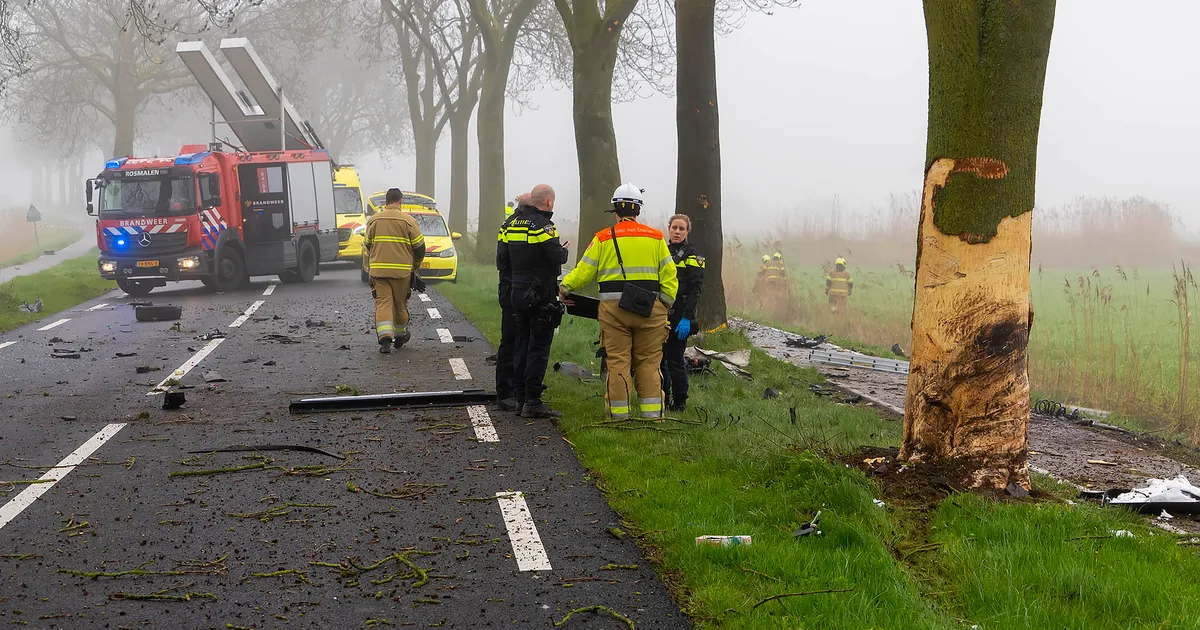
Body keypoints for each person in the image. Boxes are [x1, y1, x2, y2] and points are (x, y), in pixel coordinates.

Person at [559, 183, 678, 420]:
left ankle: (618, 417)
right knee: (648, 364)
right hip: (651, 311)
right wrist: (663, 304)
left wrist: (564, 288)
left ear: (616, 210)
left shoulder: (603, 238)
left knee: (618, 363)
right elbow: (670, 277)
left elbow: (583, 272)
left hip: (614, 313)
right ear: (638, 211)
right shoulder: (655, 238)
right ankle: (653, 416)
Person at [507, 185, 569, 418]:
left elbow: (505, 257)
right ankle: (532, 401)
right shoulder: (545, 227)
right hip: (540, 293)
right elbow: (556, 257)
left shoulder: (513, 224)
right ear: (549, 201)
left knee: (521, 343)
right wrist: (563, 252)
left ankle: (520, 397)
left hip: (517, 291)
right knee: (538, 347)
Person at [364, 188, 425, 353]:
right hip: (401, 273)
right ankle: (400, 336)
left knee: (383, 304)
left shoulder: (374, 220)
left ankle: (385, 341)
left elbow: (368, 245)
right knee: (400, 305)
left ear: (386, 202)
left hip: (378, 273)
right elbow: (420, 247)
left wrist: (368, 267)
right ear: (400, 201)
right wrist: (415, 267)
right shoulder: (408, 221)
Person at [660, 214, 704, 412]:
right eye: (674, 228)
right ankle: (662, 397)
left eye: (681, 229)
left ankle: (679, 402)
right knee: (659, 359)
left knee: (675, 359)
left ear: (687, 231)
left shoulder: (694, 255)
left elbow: (696, 289)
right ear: (669, 229)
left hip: (680, 315)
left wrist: (687, 317)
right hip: (661, 312)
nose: (677, 232)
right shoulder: (662, 251)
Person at [494, 193, 530, 411]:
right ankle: (510, 392)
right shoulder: (523, 227)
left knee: (511, 341)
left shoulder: (506, 226)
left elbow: (501, 259)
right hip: (516, 290)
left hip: (508, 288)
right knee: (514, 342)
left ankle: (509, 391)